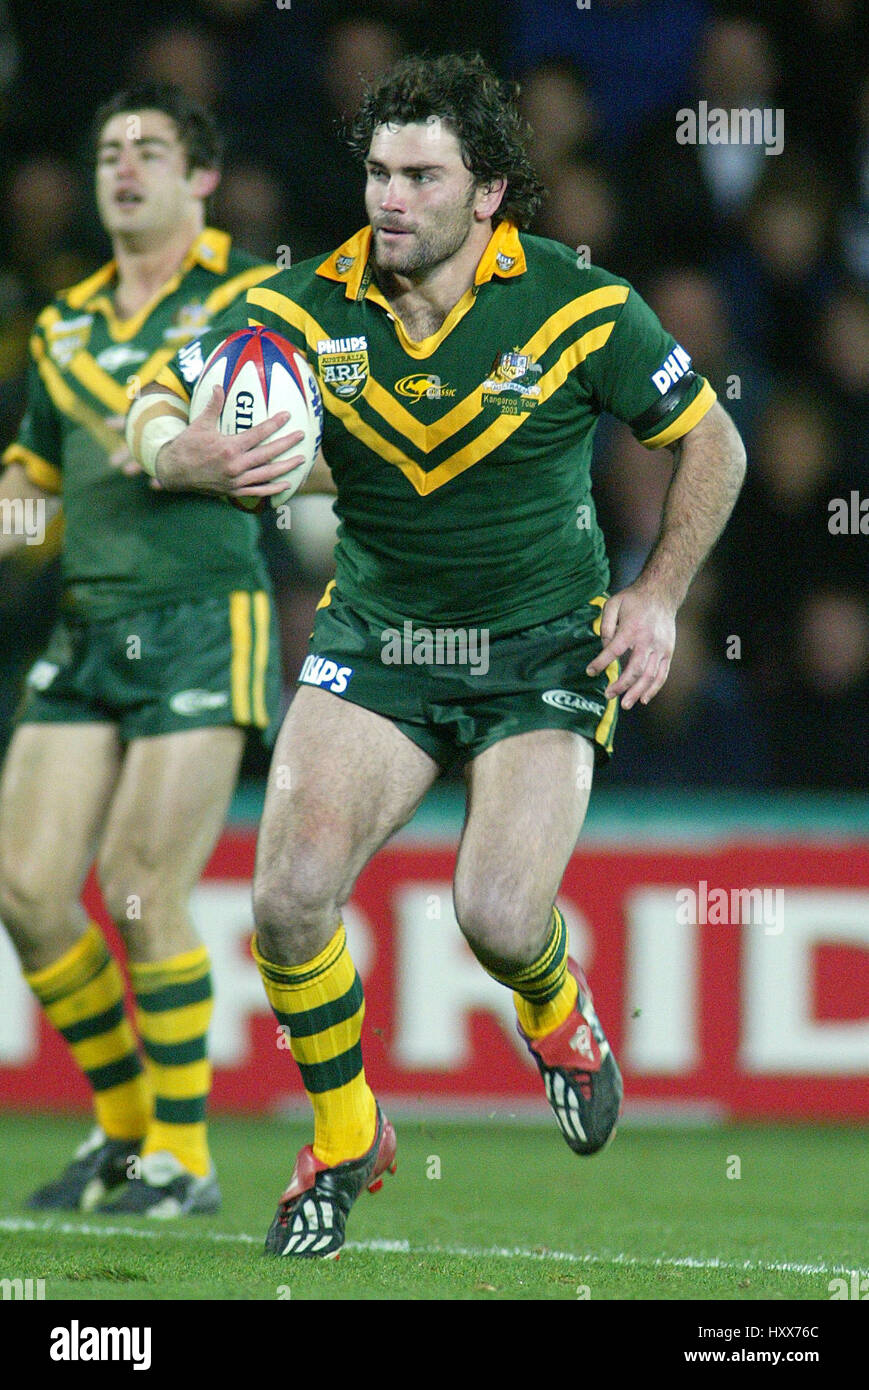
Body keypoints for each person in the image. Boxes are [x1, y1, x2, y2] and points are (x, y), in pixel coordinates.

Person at [130, 53, 747, 1258]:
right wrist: (179, 456)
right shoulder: (305, 306)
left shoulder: (579, 304)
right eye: (376, 172)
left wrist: (660, 596)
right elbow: (155, 396)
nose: (389, 199)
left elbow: (712, 441)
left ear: (489, 197)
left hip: (540, 650)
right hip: (382, 641)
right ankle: (346, 1131)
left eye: (421, 175)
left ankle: (558, 1012)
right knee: (286, 898)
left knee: (497, 912)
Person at [0, 83, 287, 1217]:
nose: (124, 166)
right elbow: (36, 478)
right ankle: (123, 1132)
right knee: (25, 887)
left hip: (203, 615)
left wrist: (259, 461)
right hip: (86, 626)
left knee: (133, 886)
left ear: (201, 177)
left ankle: (183, 1155)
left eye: (151, 149)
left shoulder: (253, 299)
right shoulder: (63, 321)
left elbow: (321, 445)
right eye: (109, 149)